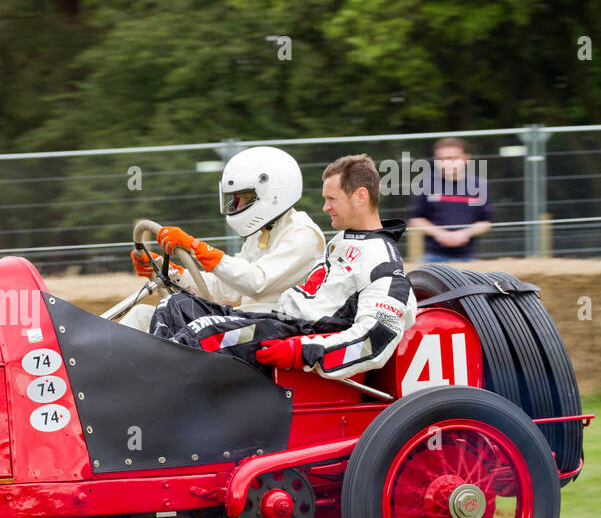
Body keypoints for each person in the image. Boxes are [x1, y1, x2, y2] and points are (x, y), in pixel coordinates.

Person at [150, 154, 416, 380]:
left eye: (332, 199)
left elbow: (376, 338)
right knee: (173, 307)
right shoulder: (344, 240)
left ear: (360, 196)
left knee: (202, 334)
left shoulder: (382, 260)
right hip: (281, 321)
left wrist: (303, 351)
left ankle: (151, 395)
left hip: (299, 334)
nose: (325, 207)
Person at [119, 146, 325, 331]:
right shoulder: (263, 233)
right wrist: (171, 271)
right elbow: (225, 289)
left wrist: (197, 248)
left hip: (276, 328)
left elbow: (257, 282)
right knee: (143, 315)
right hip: (250, 323)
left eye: (244, 197)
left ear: (273, 193)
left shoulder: (303, 235)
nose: (237, 205)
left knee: (166, 319)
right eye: (235, 199)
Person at [408, 137, 493, 263]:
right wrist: (440, 234)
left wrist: (464, 234)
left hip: (469, 257)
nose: (447, 162)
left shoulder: (480, 185)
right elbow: (416, 219)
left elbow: (486, 221)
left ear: (466, 159)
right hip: (433, 258)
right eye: (442, 159)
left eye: (453, 158)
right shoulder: (426, 184)